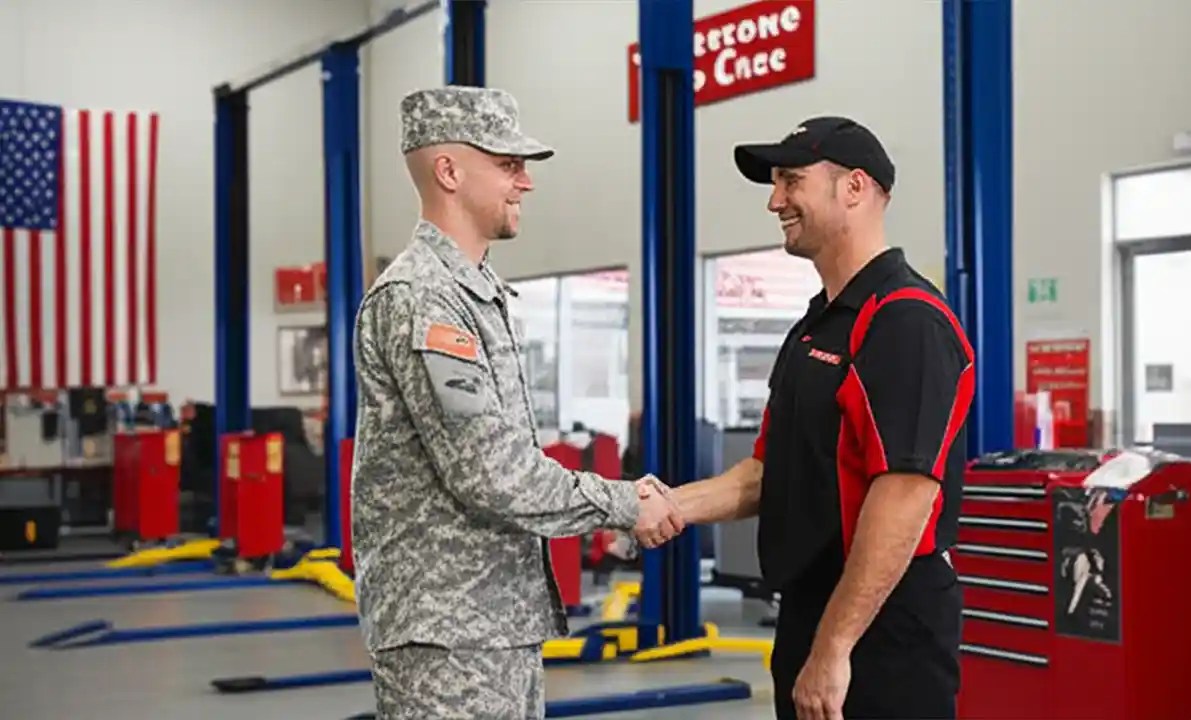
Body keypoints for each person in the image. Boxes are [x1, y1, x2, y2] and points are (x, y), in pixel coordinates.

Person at [349, 86, 685, 720]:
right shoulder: (424, 299)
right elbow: (491, 472)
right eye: (508, 164)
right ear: (448, 171)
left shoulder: (474, 293)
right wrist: (622, 503)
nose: (525, 182)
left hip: (490, 623)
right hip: (446, 637)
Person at [649, 116, 976, 719]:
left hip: (881, 627)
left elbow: (903, 498)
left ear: (854, 188)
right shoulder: (818, 325)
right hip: (814, 609)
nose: (776, 200)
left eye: (791, 180)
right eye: (775, 183)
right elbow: (768, 473)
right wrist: (666, 505)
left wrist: (833, 648)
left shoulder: (906, 322)